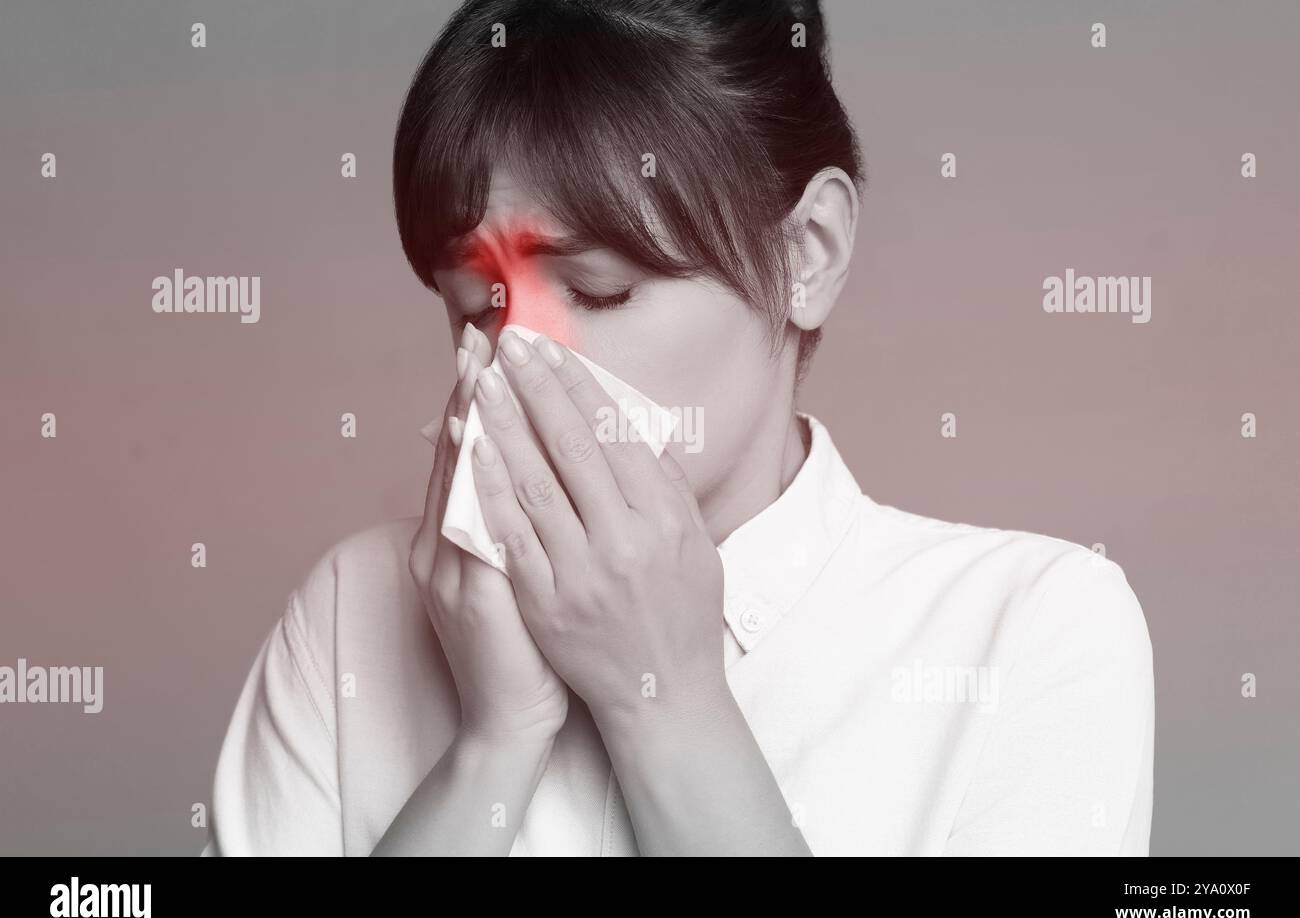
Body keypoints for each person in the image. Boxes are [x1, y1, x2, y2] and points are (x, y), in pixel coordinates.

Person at [201, 0, 1153, 856]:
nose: (518, 358)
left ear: (806, 256)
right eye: (476, 305)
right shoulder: (351, 612)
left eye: (599, 291)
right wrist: (495, 744)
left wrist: (668, 705)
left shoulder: (1033, 628)